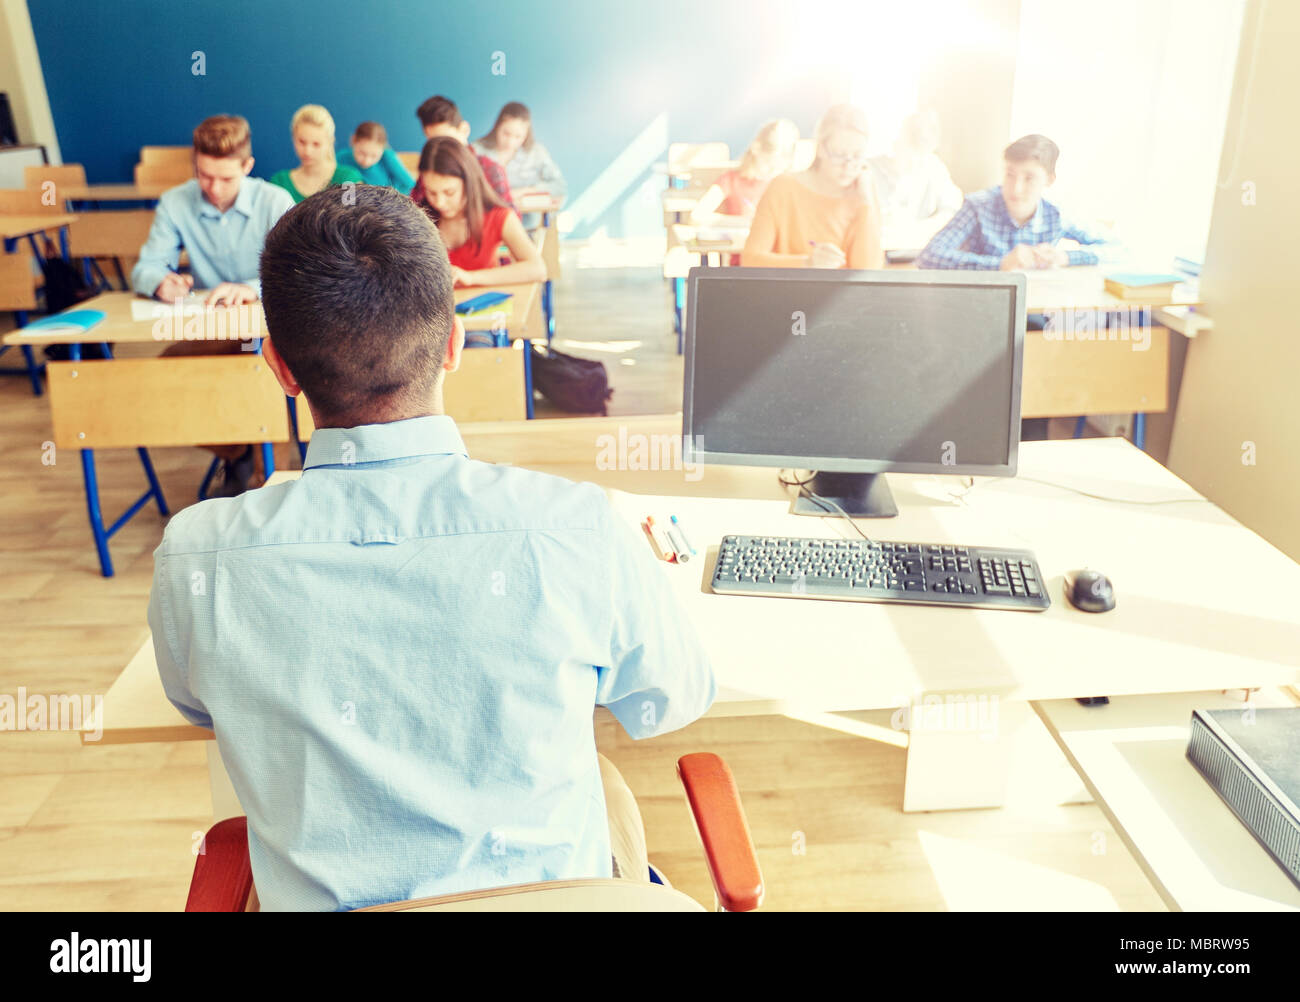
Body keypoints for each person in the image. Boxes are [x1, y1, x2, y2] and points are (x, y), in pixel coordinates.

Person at [148, 184, 716, 911]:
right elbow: (672, 698)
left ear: (280, 367)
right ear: (454, 344)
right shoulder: (575, 525)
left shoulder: (197, 556)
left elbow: (197, 703)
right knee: (605, 791)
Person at [131, 113, 295, 496]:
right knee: (160, 383)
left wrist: (252, 287)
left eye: (226, 178)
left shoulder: (275, 201)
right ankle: (238, 450)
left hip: (273, 334)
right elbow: (145, 268)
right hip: (214, 331)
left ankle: (266, 486)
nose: (214, 188)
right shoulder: (175, 202)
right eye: (204, 175)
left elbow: (299, 269)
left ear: (248, 166)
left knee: (266, 381)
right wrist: (161, 282)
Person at [915, 134, 1104, 270]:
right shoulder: (978, 206)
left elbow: (1117, 249)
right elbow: (929, 256)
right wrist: (1001, 264)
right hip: (984, 306)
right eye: (1010, 175)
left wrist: (1064, 257)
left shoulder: (1057, 214)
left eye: (1029, 178)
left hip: (1036, 307)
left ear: (1049, 180)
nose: (1015, 189)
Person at [741, 104, 883, 269]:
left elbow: (868, 271)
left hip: (843, 294)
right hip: (789, 293)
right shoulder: (783, 188)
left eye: (857, 156)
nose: (848, 165)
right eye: (839, 154)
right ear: (821, 148)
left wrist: (866, 203)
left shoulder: (864, 193)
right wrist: (808, 263)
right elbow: (751, 260)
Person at [412, 136, 544, 287]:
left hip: (484, 307)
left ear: (469, 184)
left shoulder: (497, 215)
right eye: (431, 192)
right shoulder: (419, 218)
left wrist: (471, 277)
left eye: (449, 192)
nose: (440, 202)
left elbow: (538, 269)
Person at [867, 110, 963, 247]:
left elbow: (951, 209)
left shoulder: (933, 166)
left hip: (915, 249)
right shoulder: (870, 169)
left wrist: (921, 230)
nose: (915, 159)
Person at [689, 119, 800, 226]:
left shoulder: (786, 183)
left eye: (778, 168)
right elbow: (697, 217)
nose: (772, 173)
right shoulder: (731, 180)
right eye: (768, 165)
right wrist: (744, 222)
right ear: (756, 148)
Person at [473, 101, 566, 228]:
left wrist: (525, 191)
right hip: (486, 223)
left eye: (518, 136)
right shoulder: (477, 150)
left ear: (527, 134)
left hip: (526, 225)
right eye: (506, 134)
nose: (510, 142)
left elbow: (560, 187)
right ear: (497, 127)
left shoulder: (536, 152)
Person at [415, 95, 513, 210]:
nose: (441, 150)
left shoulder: (490, 170)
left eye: (448, 141)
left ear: (464, 130)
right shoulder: (428, 175)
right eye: (433, 143)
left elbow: (510, 219)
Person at [268, 105, 365, 203]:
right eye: (302, 142)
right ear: (293, 139)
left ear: (330, 142)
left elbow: (352, 217)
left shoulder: (348, 179)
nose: (307, 151)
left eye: (316, 144)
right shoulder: (279, 182)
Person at [337, 121, 414, 191]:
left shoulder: (387, 157)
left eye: (374, 156)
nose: (366, 161)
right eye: (362, 153)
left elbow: (410, 185)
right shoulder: (340, 157)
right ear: (353, 140)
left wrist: (389, 197)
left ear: (383, 149)